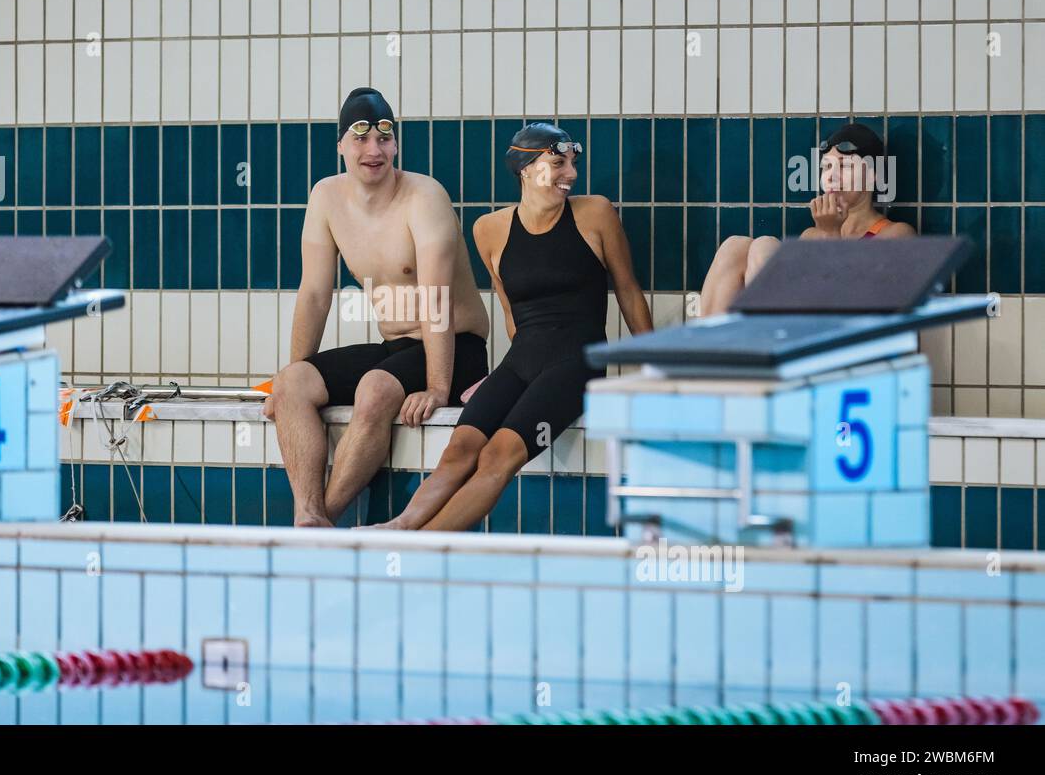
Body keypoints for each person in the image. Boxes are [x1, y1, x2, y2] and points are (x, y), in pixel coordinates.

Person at [368, 122, 652, 532]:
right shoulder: (489, 230)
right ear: (524, 169)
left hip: (578, 363)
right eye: (557, 163)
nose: (570, 174)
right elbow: (511, 314)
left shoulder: (596, 214)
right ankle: (402, 526)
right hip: (521, 362)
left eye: (572, 163)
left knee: (499, 455)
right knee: (460, 449)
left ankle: (419, 546)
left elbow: (627, 290)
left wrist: (652, 370)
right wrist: (510, 385)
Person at [263, 87, 491, 527]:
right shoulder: (326, 198)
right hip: (396, 350)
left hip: (457, 347)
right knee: (290, 385)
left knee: (375, 388)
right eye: (362, 138)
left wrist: (438, 389)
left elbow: (435, 299)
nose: (374, 150)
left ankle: (318, 525)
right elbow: (314, 293)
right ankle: (308, 517)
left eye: (384, 138)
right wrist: (293, 378)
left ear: (396, 144)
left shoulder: (424, 198)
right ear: (341, 146)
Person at [698, 122, 915, 316]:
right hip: (796, 332)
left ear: (872, 175)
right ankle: (707, 351)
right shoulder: (811, 235)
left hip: (842, 345)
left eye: (845, 166)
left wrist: (831, 234)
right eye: (827, 166)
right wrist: (825, 233)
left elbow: (850, 304)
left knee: (766, 246)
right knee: (735, 246)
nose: (831, 176)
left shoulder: (896, 234)